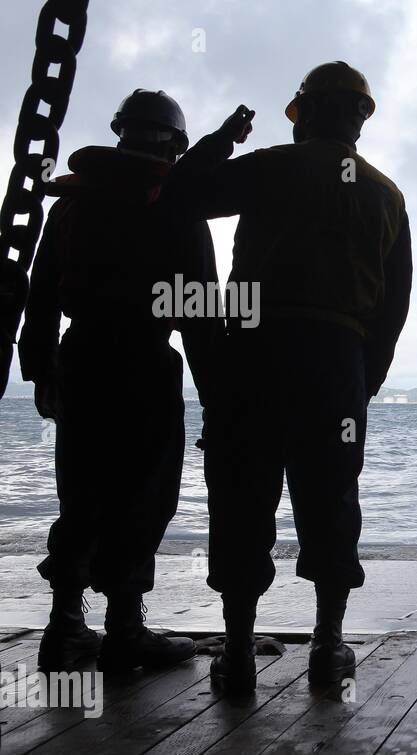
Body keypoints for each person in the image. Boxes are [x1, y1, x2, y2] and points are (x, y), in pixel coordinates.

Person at [165, 62, 413, 694]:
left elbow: (180, 196)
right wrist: (364, 375)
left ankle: (240, 652)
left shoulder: (271, 166)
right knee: (332, 498)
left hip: (254, 350)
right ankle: (328, 649)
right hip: (338, 359)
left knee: (242, 493)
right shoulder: (386, 194)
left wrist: (222, 139)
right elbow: (393, 304)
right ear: (360, 117)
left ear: (302, 114)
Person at [19, 90, 215, 673]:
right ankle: (124, 628)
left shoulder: (72, 206)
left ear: (120, 132)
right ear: (177, 146)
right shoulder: (176, 206)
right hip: (145, 364)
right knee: (145, 494)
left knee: (80, 493)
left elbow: (41, 294)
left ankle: (64, 628)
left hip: (79, 361)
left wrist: (41, 368)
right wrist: (221, 398)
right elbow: (199, 311)